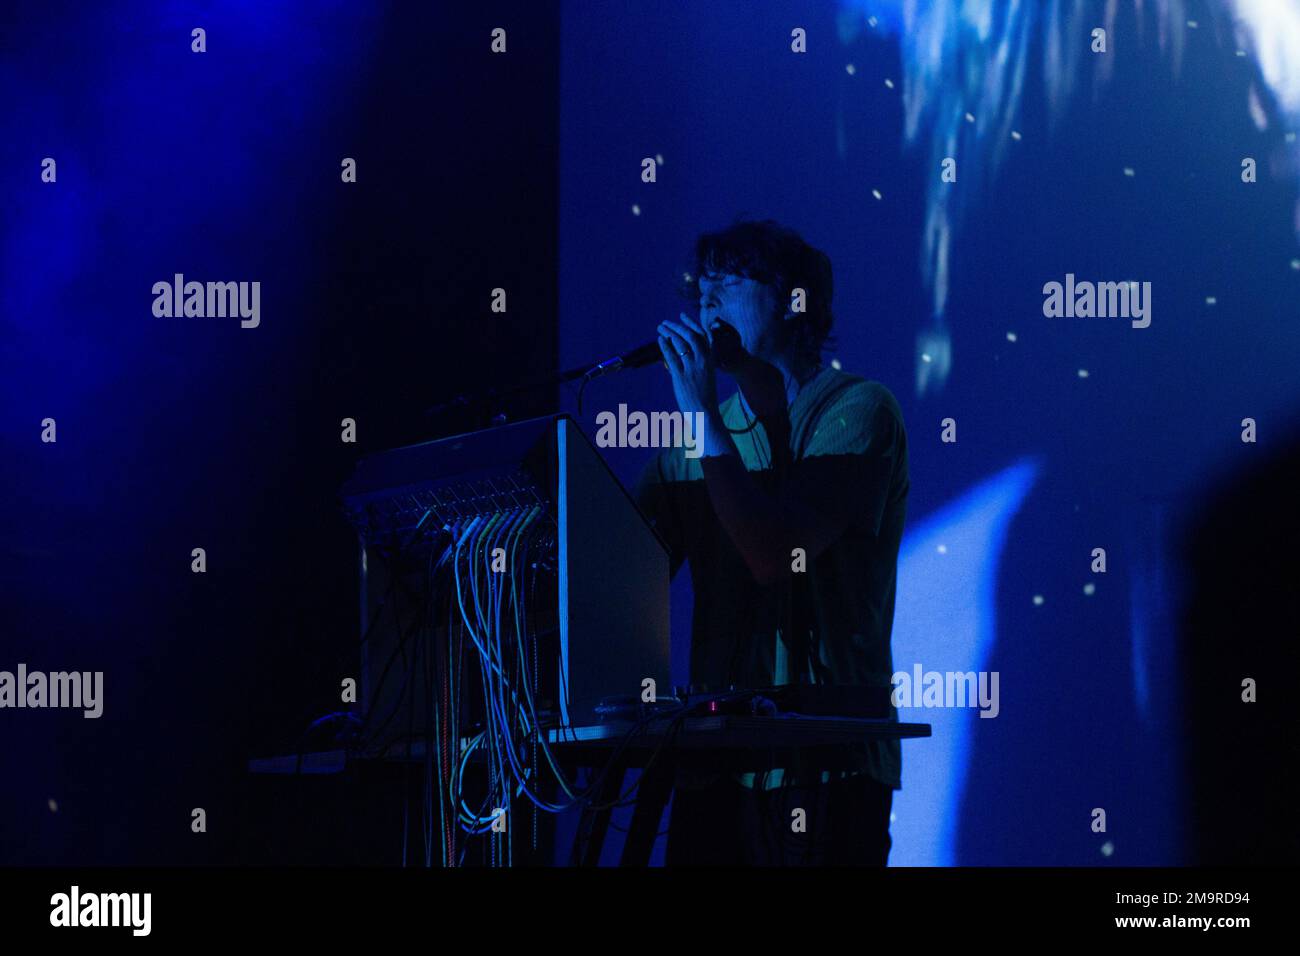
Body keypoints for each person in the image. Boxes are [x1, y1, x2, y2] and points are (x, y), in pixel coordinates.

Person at [633, 219, 909, 865]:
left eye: (728, 282)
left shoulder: (858, 410)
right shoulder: (691, 450)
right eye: (700, 286)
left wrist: (699, 412)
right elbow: (617, 571)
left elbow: (773, 555)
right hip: (716, 756)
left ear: (794, 300)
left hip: (825, 756)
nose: (705, 299)